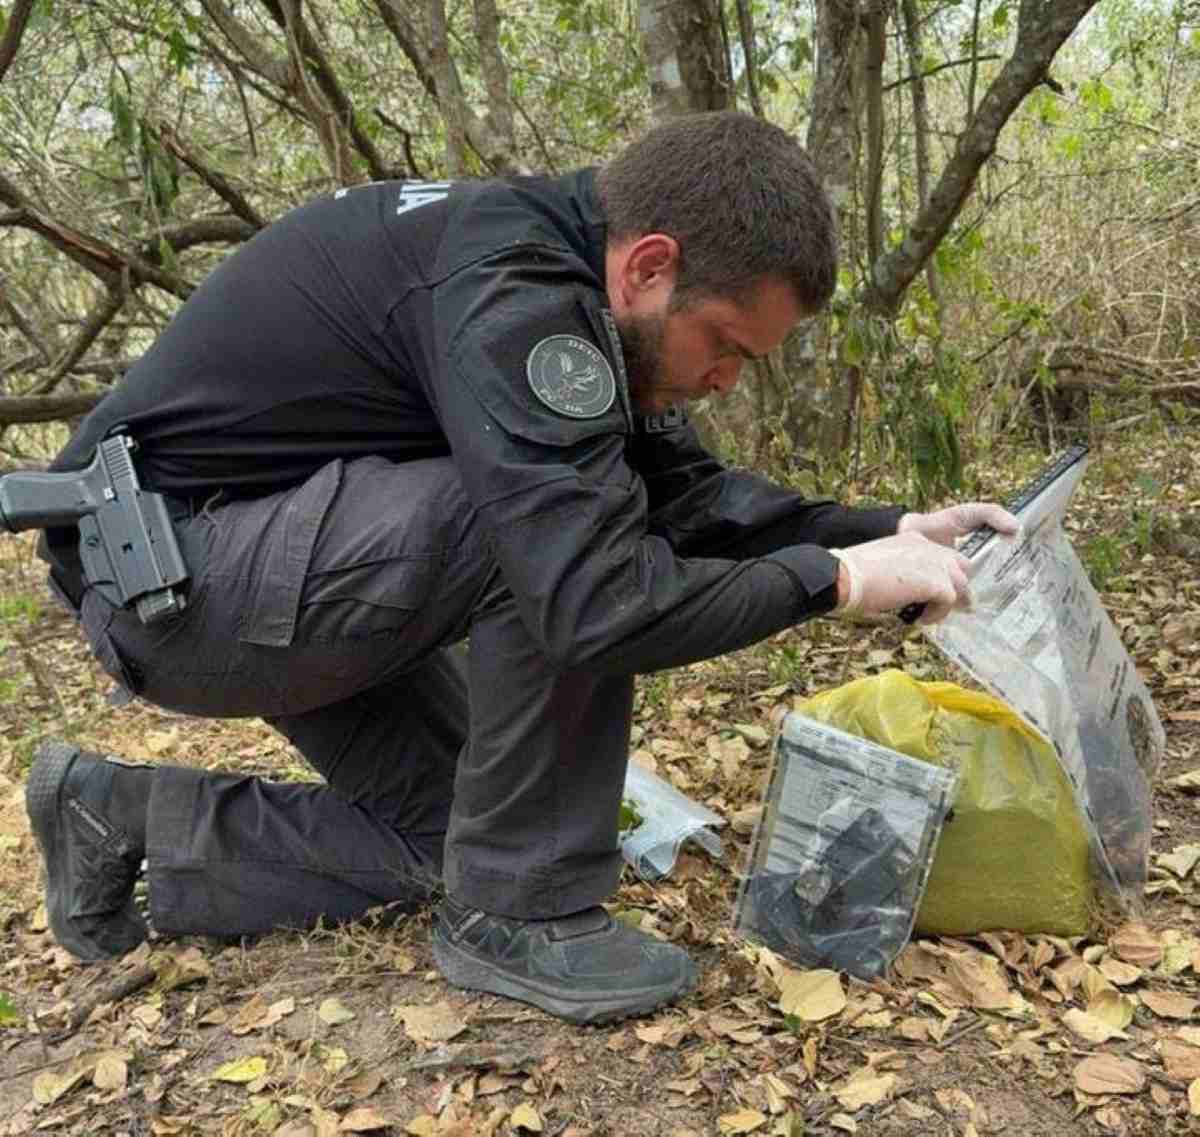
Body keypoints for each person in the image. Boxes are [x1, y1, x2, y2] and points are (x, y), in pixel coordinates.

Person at [21, 111, 1016, 1024]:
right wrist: (833, 583)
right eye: (726, 347)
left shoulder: (572, 283)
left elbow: (688, 496)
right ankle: (525, 917)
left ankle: (121, 818)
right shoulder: (513, 290)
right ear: (651, 267)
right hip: (172, 580)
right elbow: (591, 597)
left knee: (454, 840)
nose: (722, 381)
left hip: (250, 568)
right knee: (551, 542)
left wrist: (888, 532)